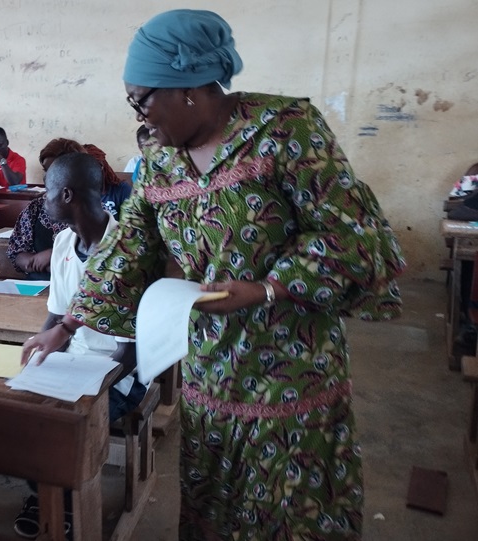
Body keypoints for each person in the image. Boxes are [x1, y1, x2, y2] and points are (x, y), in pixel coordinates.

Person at [22, 10, 406, 541]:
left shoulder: (284, 131)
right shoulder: (160, 161)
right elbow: (130, 246)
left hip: (293, 369)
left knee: (289, 512)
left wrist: (267, 287)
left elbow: (350, 234)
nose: (139, 116)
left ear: (187, 88)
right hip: (210, 371)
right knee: (215, 509)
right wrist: (64, 326)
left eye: (142, 100)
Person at [13, 152, 147, 539]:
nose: (43, 199)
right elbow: (56, 317)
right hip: (73, 364)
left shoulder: (128, 251)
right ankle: (45, 492)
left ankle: (68, 498)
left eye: (48, 192)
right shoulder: (62, 245)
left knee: (69, 420)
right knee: (21, 409)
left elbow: (130, 353)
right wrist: (39, 356)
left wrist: (88, 392)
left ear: (67, 195)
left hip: (119, 374)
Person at [7, 138, 133, 280]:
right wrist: (33, 261)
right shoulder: (37, 210)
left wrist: (55, 257)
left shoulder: (98, 223)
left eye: (55, 169)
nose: (47, 177)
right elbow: (16, 250)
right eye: (46, 170)